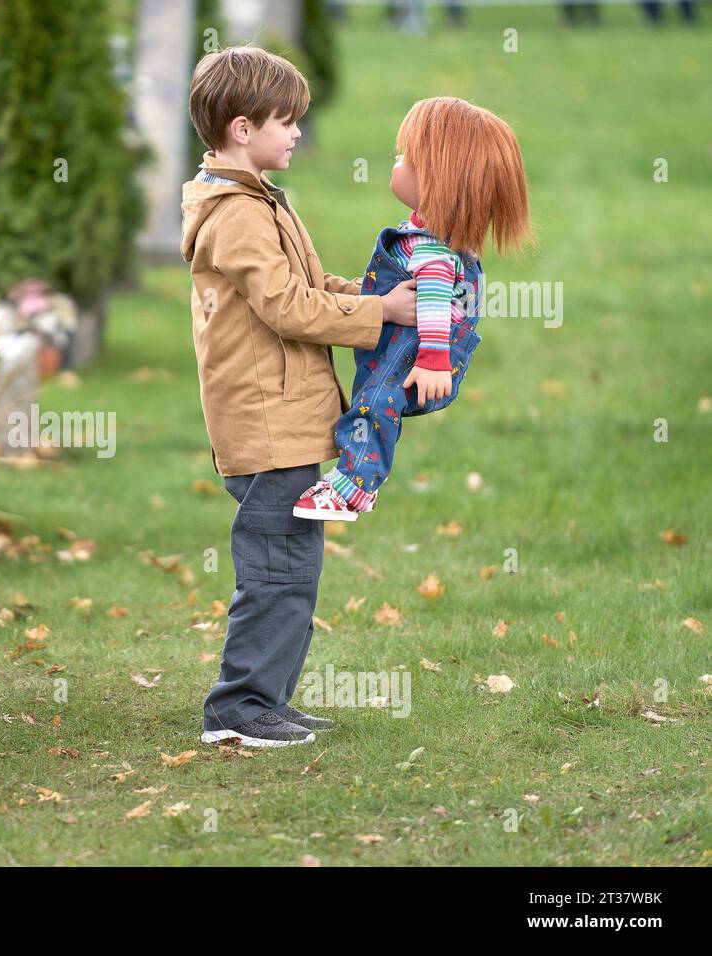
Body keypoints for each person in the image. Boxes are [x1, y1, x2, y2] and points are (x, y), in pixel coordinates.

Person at [180, 46, 419, 747]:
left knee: (292, 567)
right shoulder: (237, 215)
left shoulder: (259, 201)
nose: (298, 134)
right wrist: (383, 316)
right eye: (288, 122)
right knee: (276, 569)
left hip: (283, 417)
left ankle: (267, 699)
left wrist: (375, 295)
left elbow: (309, 287)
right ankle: (238, 708)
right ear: (242, 128)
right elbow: (288, 308)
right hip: (263, 421)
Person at [293, 97, 532, 521]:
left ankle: (351, 486)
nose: (396, 162)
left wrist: (435, 360)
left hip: (416, 354)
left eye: (406, 158)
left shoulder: (433, 254)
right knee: (376, 403)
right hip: (409, 348)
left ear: (439, 181)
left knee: (374, 403)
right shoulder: (433, 238)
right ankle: (361, 478)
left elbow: (438, 303)